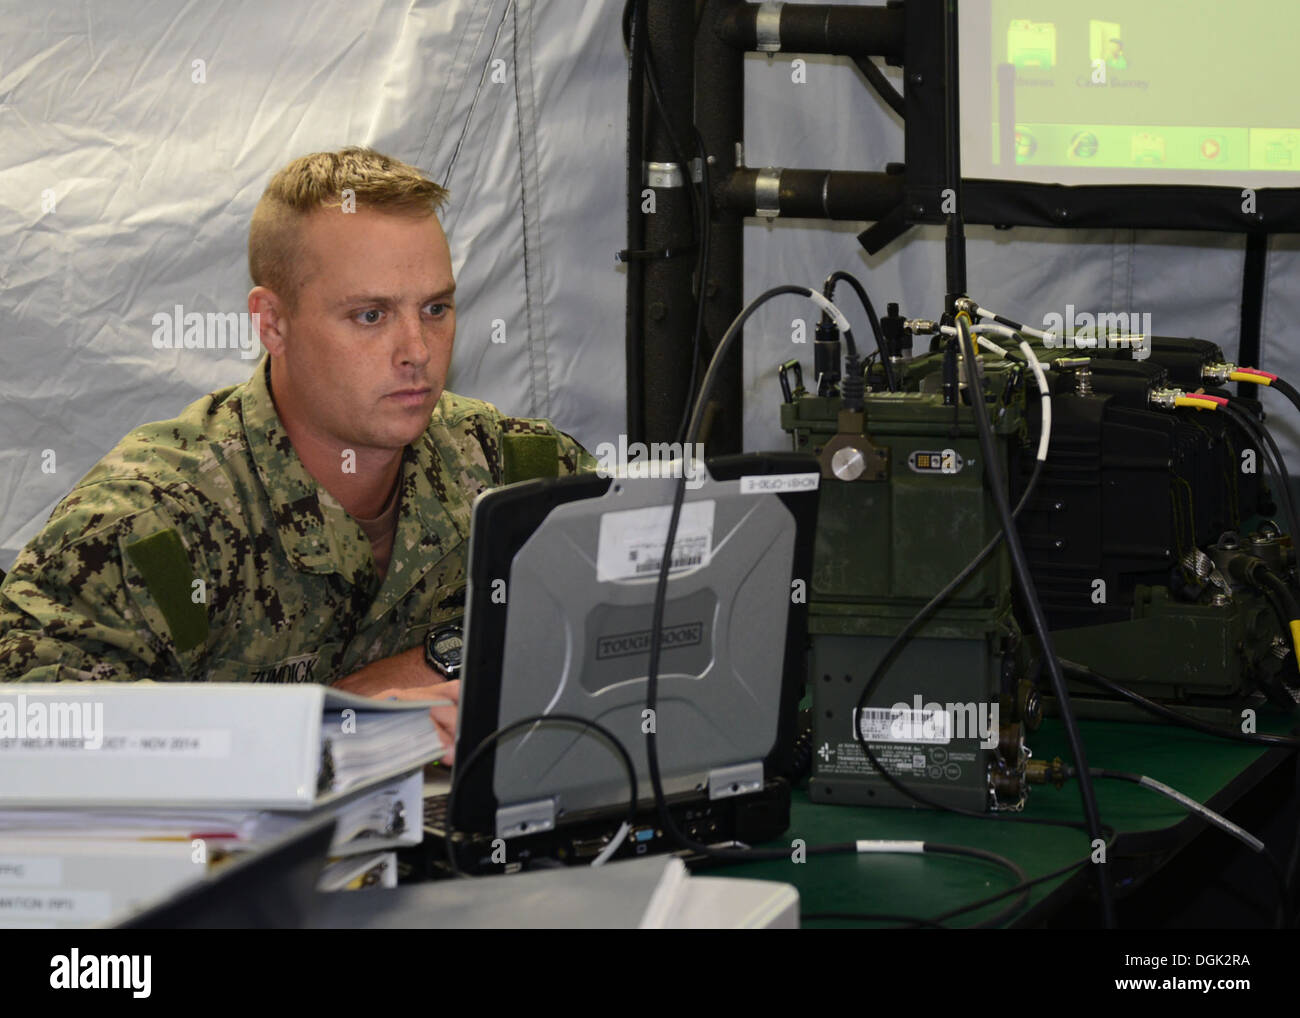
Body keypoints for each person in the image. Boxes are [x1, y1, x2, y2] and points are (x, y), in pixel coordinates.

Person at [0, 147, 596, 759]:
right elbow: (31, 733)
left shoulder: (519, 472)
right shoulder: (155, 523)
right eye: (371, 315)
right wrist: (323, 728)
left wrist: (431, 660)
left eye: (436, 308)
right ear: (272, 324)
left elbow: (642, 622)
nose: (417, 349)